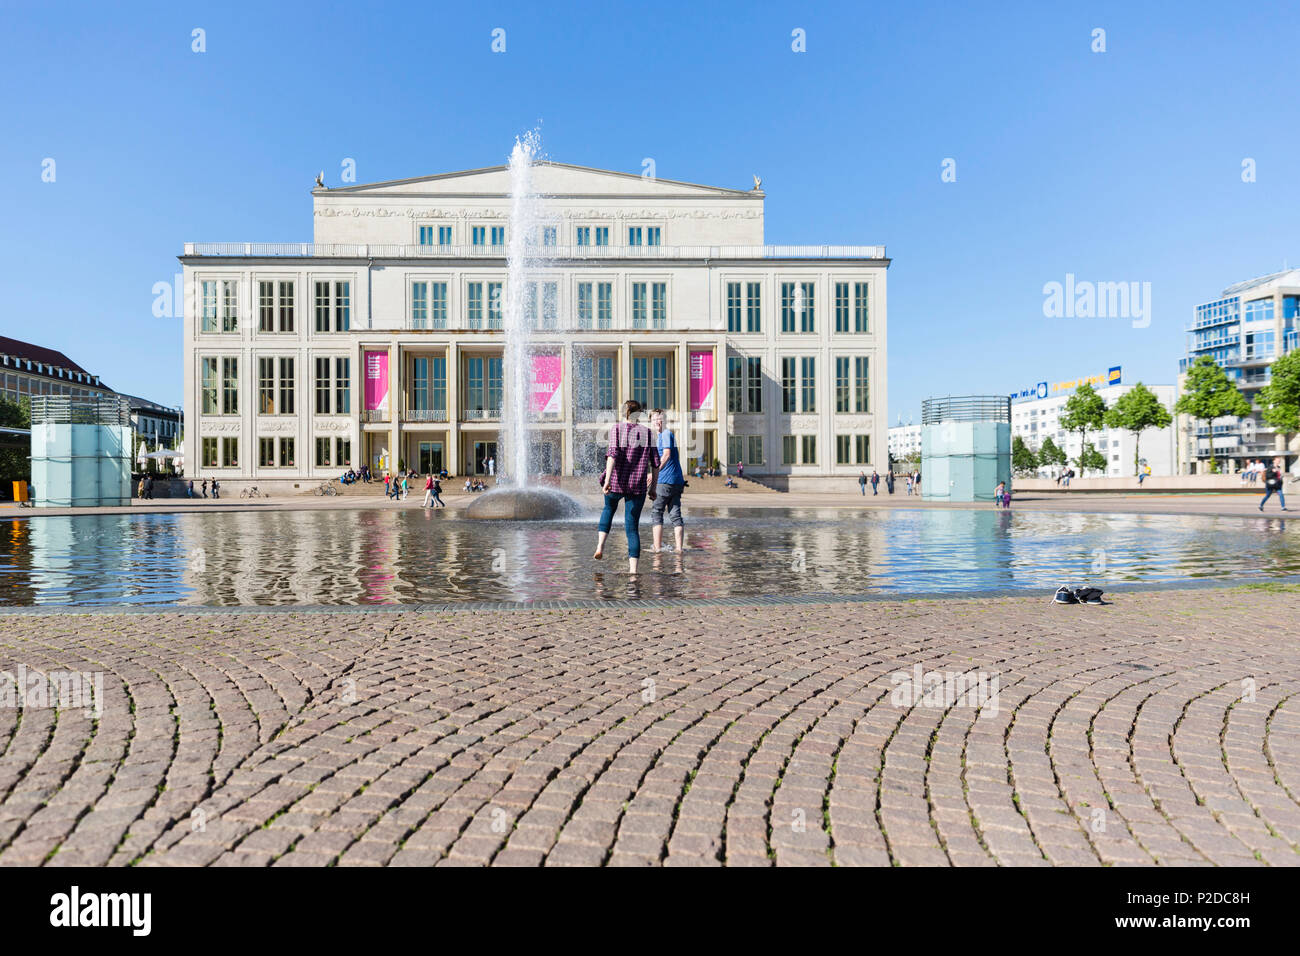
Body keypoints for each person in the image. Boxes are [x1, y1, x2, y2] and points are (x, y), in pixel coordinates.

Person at [594, 399, 658, 574]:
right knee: (632, 528)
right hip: (638, 485)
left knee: (608, 509)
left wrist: (607, 480)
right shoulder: (648, 433)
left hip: (616, 481)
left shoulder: (617, 429)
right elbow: (655, 464)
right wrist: (653, 488)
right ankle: (633, 571)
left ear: (625, 413)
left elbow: (612, 455)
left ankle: (600, 546)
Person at [649, 409, 686, 554]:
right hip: (676, 481)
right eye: (654, 419)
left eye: (660, 419)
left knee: (657, 512)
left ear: (665, 421)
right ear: (651, 422)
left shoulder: (665, 434)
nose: (657, 422)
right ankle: (679, 549)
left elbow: (666, 455)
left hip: (664, 481)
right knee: (675, 514)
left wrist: (654, 473)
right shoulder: (665, 435)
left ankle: (657, 549)